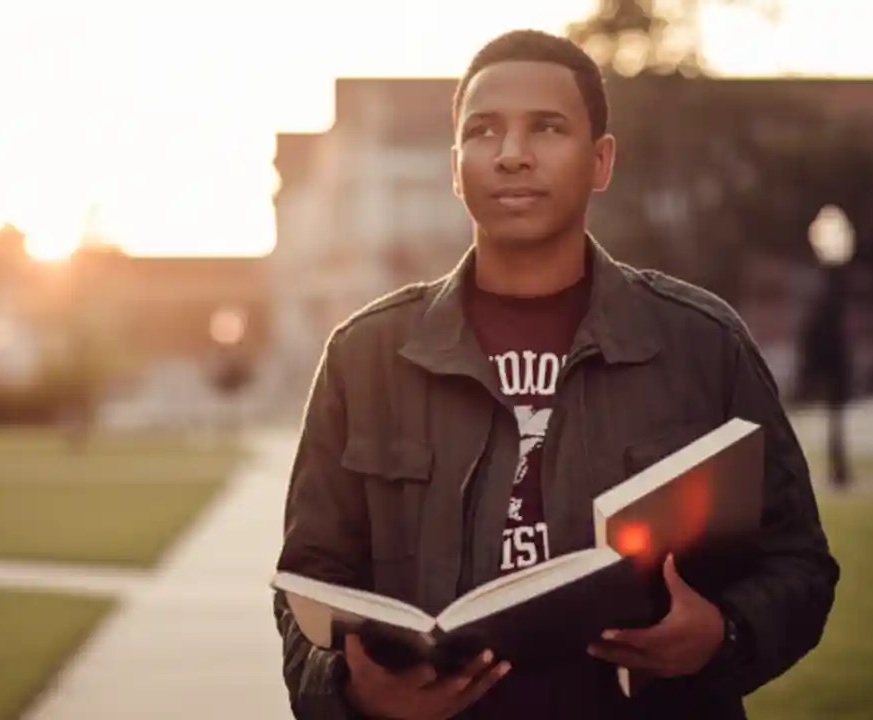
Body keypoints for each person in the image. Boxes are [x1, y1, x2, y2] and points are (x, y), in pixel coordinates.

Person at [273, 28, 838, 720]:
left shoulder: (703, 344)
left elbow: (800, 566)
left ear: (601, 161)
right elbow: (304, 588)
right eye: (483, 132)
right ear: (456, 168)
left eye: (546, 128)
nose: (511, 155)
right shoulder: (364, 359)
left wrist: (724, 635)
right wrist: (354, 691)